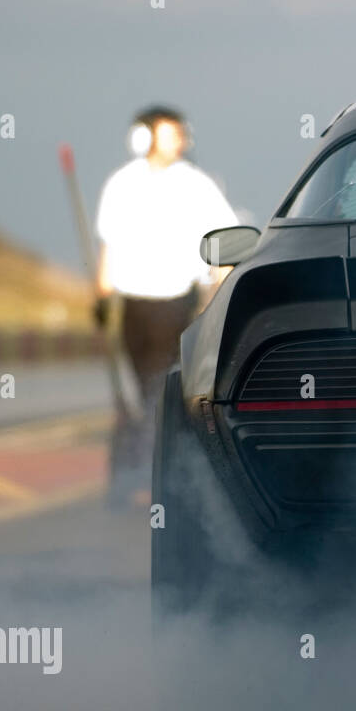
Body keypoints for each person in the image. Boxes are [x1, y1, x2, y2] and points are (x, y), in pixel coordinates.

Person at [93, 105, 238, 507]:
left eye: (181, 134)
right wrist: (103, 296)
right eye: (171, 133)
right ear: (145, 136)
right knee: (136, 393)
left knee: (165, 391)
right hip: (134, 306)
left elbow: (224, 242)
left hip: (177, 304)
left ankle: (165, 478)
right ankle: (128, 478)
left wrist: (218, 293)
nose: (181, 141)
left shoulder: (196, 185)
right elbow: (110, 245)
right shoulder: (121, 185)